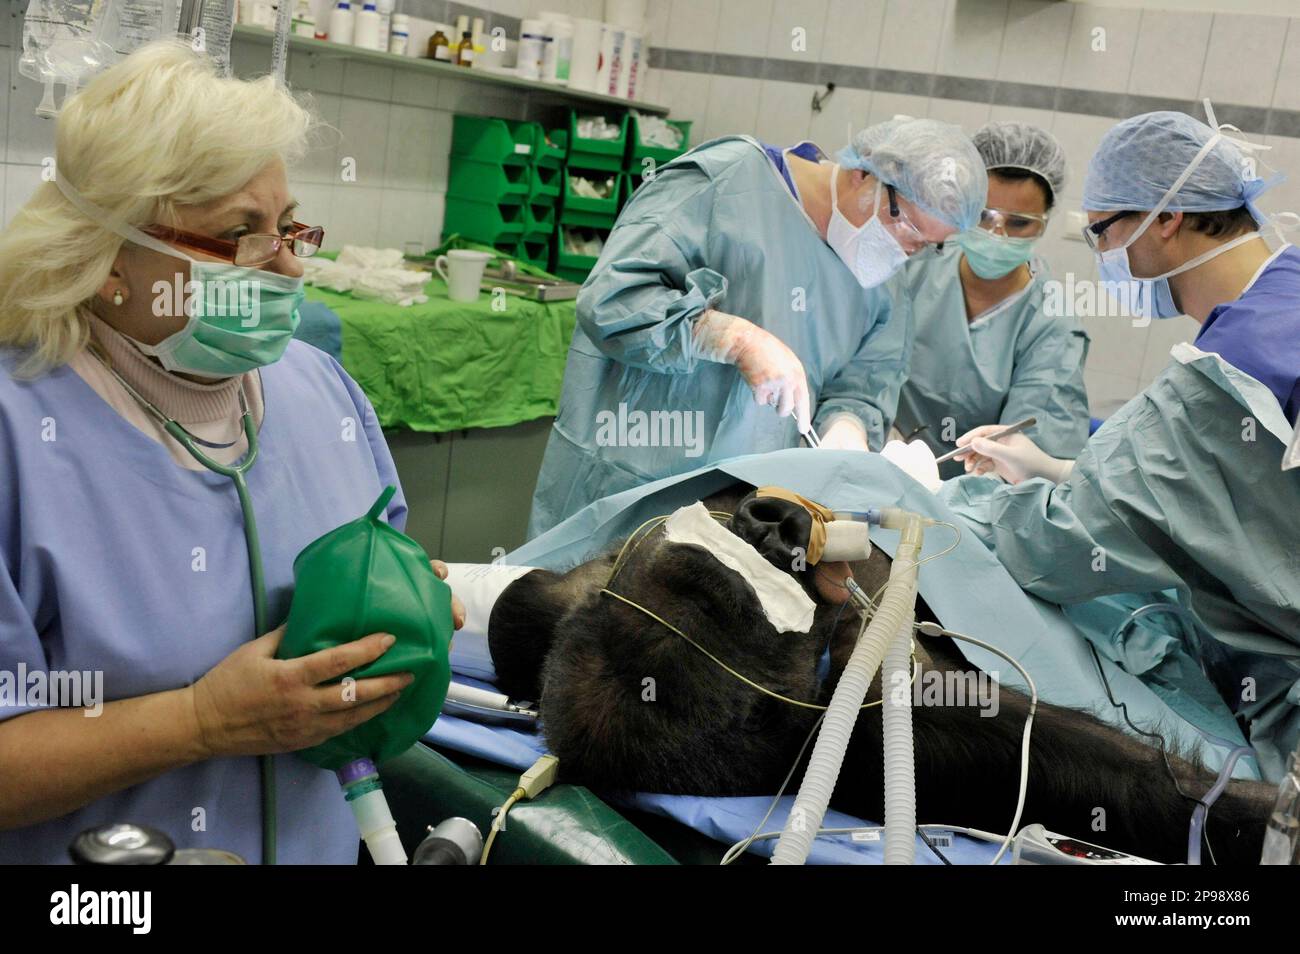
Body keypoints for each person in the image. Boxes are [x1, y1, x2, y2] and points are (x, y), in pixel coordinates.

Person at [0, 42, 462, 863]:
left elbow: (389, 555)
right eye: (238, 235)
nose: (286, 264)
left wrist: (407, 607)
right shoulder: (19, 434)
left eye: (289, 227)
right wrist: (200, 723)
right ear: (106, 257)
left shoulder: (318, 392)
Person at [941, 108, 1300, 782]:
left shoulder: (1233, 368)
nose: (1105, 256)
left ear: (1165, 218)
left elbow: (1060, 548)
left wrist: (948, 500)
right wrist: (1056, 466)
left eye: (1103, 232)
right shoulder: (1288, 296)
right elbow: (1235, 492)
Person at [526, 118, 988, 537]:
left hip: (750, 519)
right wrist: (730, 338)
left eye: (928, 245)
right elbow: (612, 300)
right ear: (863, 175)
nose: (908, 250)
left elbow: (866, 383)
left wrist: (846, 427)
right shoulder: (724, 183)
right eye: (907, 226)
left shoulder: (881, 269)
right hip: (630, 490)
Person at [893, 121, 1090, 477]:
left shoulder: (1051, 323)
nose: (996, 234)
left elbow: (1032, 454)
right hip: (878, 465)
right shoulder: (914, 268)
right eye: (983, 216)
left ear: (1044, 223)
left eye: (1018, 223)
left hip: (972, 504)